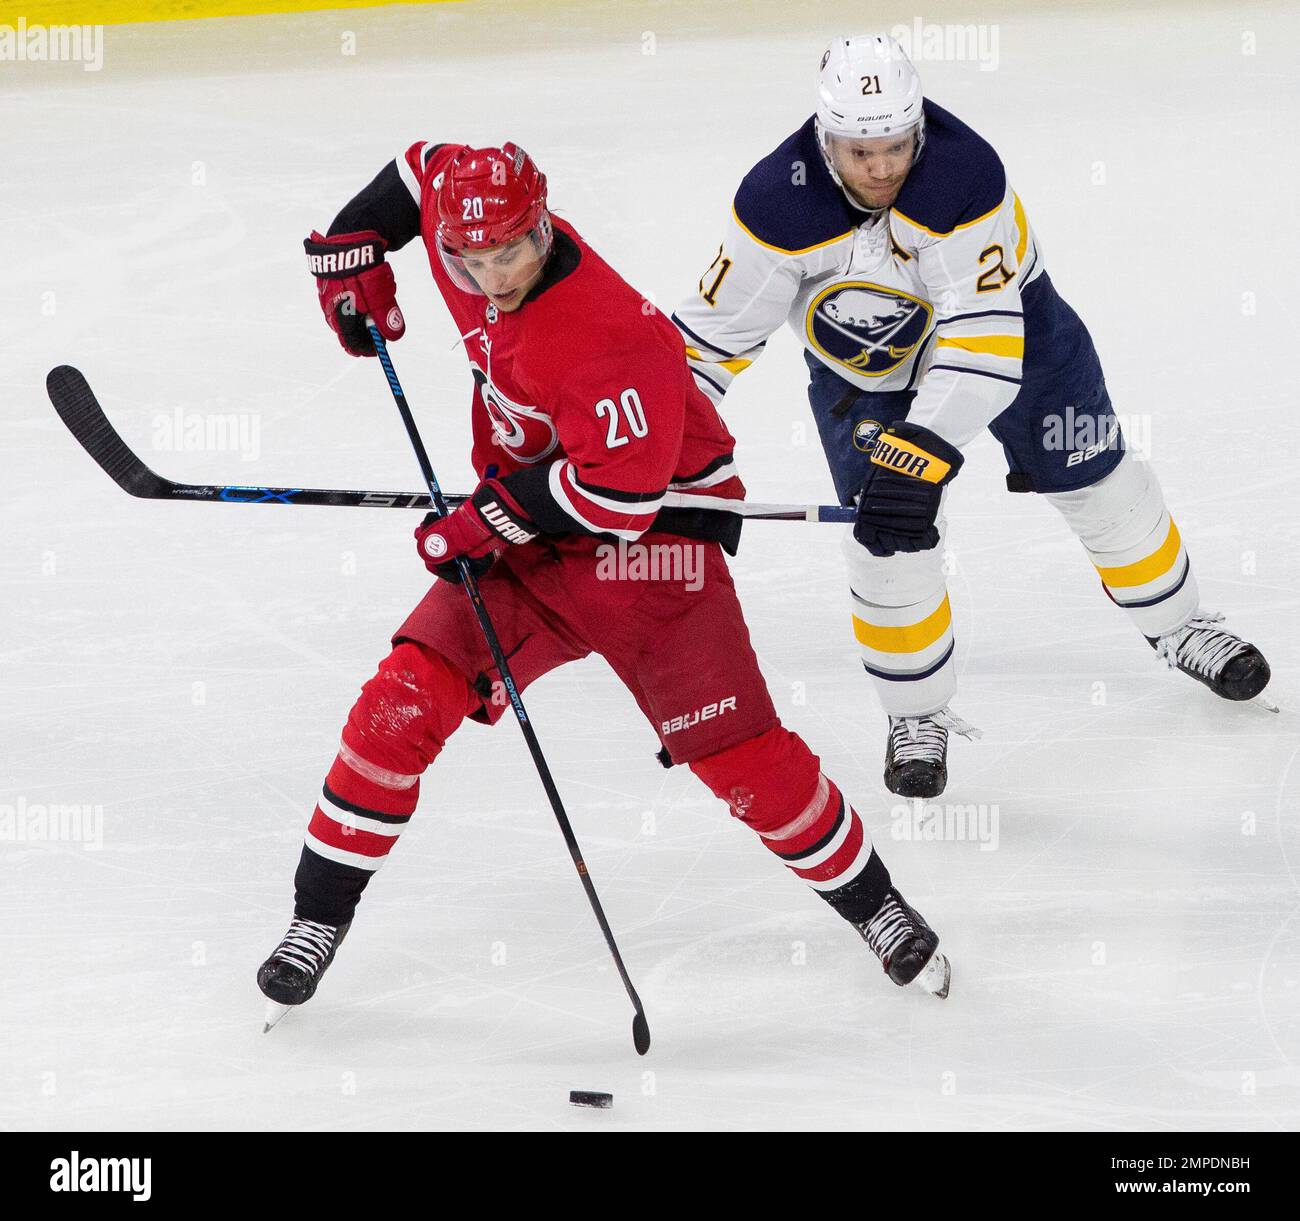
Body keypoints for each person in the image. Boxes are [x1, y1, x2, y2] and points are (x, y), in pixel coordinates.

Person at [258, 140, 952, 1019]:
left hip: (653, 554)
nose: (491, 277)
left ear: (541, 222)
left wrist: (482, 521)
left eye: (508, 252)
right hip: (534, 541)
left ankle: (877, 907)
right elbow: (420, 165)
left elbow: (615, 502)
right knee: (401, 698)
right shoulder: (472, 234)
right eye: (469, 262)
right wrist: (352, 252)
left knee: (741, 757)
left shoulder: (607, 335)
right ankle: (315, 919)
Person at [672, 33, 1271, 799]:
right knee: (888, 538)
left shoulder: (964, 173)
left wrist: (918, 451)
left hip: (1021, 330)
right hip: (863, 368)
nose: (881, 165)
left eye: (894, 143)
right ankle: (916, 712)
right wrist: (657, 456)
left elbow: (983, 340)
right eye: (860, 150)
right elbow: (704, 347)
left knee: (1096, 478)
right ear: (825, 139)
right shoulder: (773, 204)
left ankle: (1180, 622)